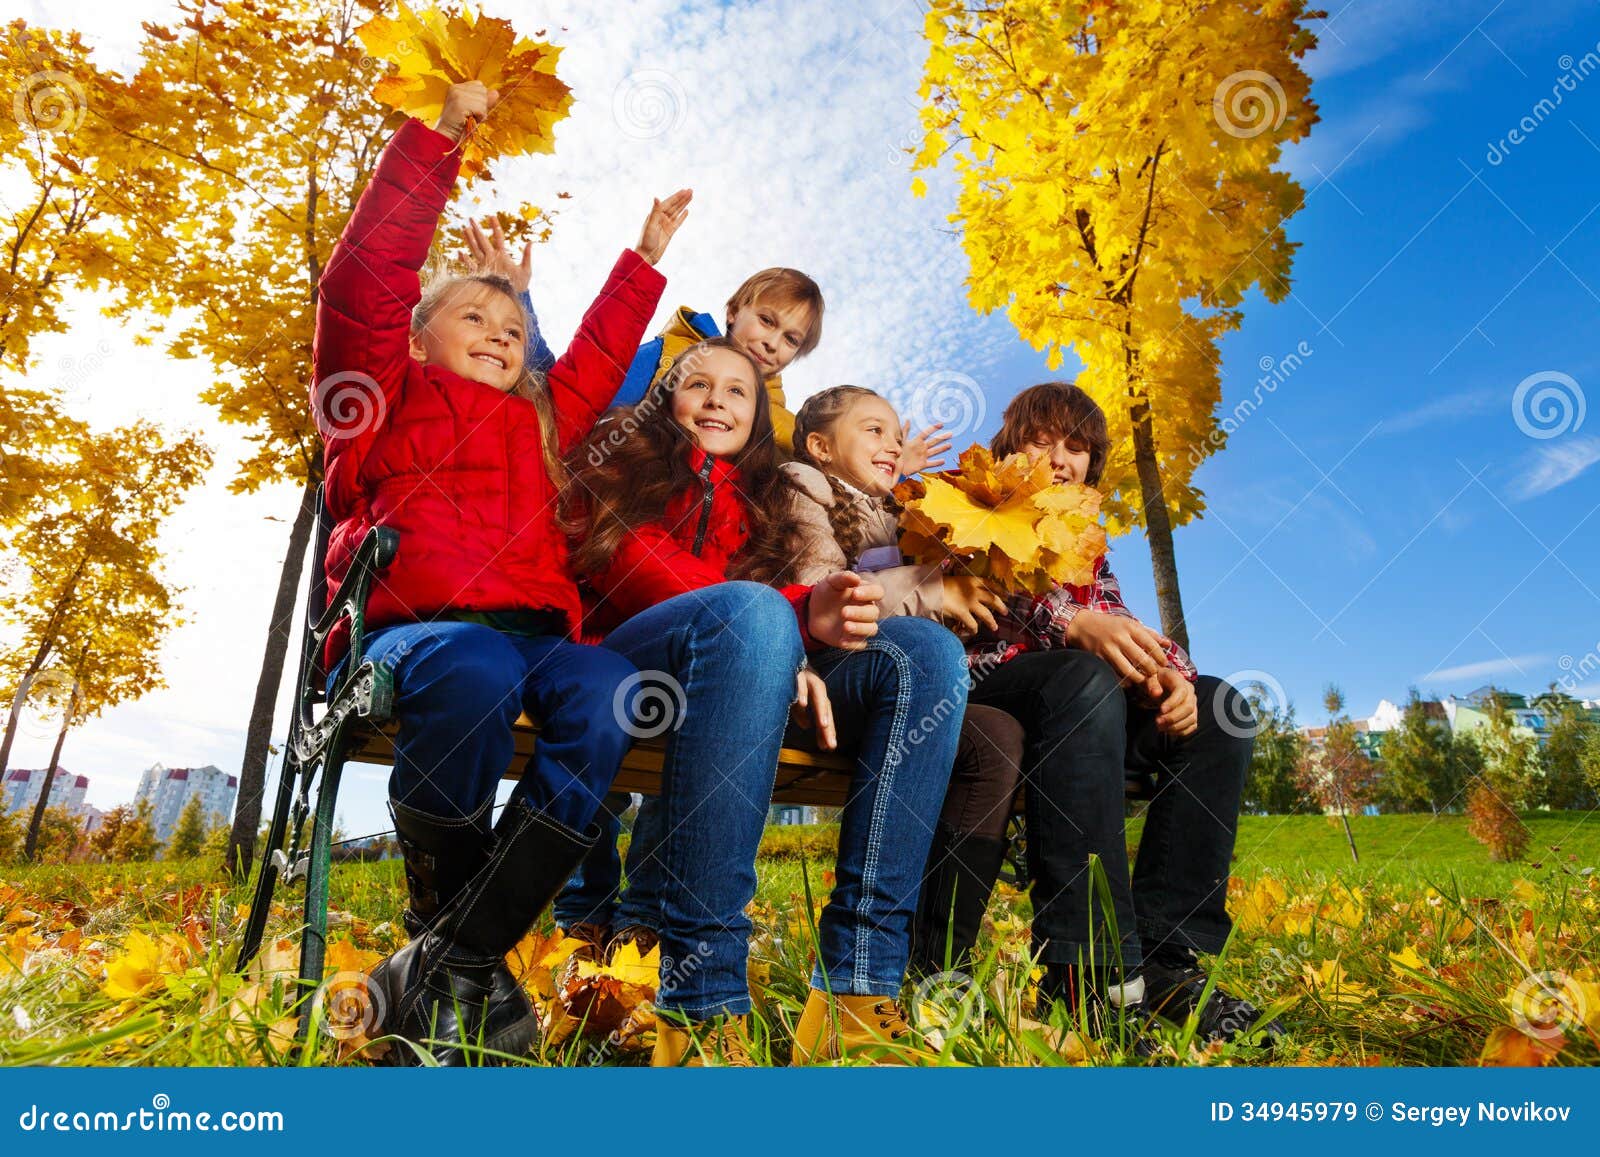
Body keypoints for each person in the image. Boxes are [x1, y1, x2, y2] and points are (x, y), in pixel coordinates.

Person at [312, 80, 684, 1064]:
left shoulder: (540, 422)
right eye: (473, 316)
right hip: (411, 633)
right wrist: (437, 139)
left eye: (513, 328)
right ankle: (458, 942)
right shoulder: (377, 394)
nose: (499, 332)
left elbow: (594, 361)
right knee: (472, 666)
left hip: (538, 638)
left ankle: (450, 957)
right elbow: (363, 282)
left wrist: (642, 260)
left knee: (612, 689)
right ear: (415, 337)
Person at [566, 338, 967, 1064]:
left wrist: (789, 647)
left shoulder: (767, 501)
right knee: (751, 612)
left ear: (759, 418)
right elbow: (637, 563)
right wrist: (784, 623)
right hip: (625, 663)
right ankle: (704, 1002)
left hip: (749, 668)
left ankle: (857, 991)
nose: (717, 400)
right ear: (666, 398)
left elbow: (786, 599)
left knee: (928, 654)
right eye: (699, 384)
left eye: (738, 391)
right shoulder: (621, 457)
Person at [961, 381, 1284, 1047]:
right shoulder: (977, 500)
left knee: (1219, 708)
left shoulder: (1086, 539)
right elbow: (991, 593)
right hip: (994, 692)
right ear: (1010, 447)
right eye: (1041, 442)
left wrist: (1169, 677)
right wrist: (1071, 623)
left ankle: (1165, 958)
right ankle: (1085, 973)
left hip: (1090, 710)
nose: (1059, 459)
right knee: (1082, 677)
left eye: (1076, 448)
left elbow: (1119, 620)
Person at [775, 384, 1025, 977]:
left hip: (896, 688)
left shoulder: (899, 513)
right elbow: (828, 600)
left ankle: (936, 961)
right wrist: (931, 589)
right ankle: (863, 962)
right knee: (926, 650)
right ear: (821, 447)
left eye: (896, 434)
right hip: (820, 677)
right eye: (873, 430)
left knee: (994, 739)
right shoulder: (801, 485)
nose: (892, 444)